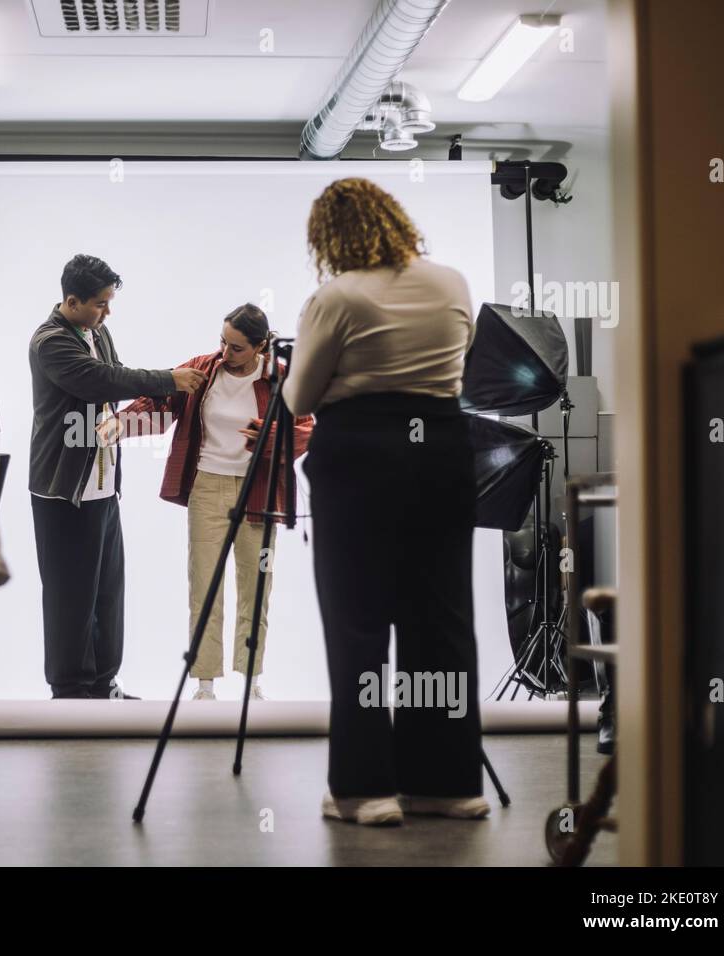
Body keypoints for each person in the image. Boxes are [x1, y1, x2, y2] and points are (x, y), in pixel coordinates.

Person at [283, 177, 487, 826]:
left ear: (329, 237)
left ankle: (364, 790)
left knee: (359, 624)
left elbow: (300, 398)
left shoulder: (335, 296)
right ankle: (449, 784)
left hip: (360, 458)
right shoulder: (452, 282)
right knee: (442, 622)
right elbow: (458, 366)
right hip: (445, 452)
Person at [29, 254, 206, 699]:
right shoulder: (50, 341)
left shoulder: (97, 331)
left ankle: (104, 683)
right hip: (63, 492)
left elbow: (111, 384)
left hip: (103, 487)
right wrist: (168, 380)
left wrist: (135, 413)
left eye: (109, 303)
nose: (107, 313)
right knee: (71, 597)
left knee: (108, 593)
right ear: (71, 300)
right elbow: (101, 381)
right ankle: (71, 690)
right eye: (100, 304)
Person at [114, 305, 312, 701]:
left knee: (256, 586)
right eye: (222, 341)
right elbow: (160, 401)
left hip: (258, 488)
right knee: (203, 585)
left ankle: (252, 681)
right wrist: (120, 423)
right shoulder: (204, 369)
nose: (225, 351)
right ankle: (204, 683)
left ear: (260, 346)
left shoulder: (280, 376)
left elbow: (305, 428)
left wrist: (267, 437)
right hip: (207, 486)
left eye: (237, 347)